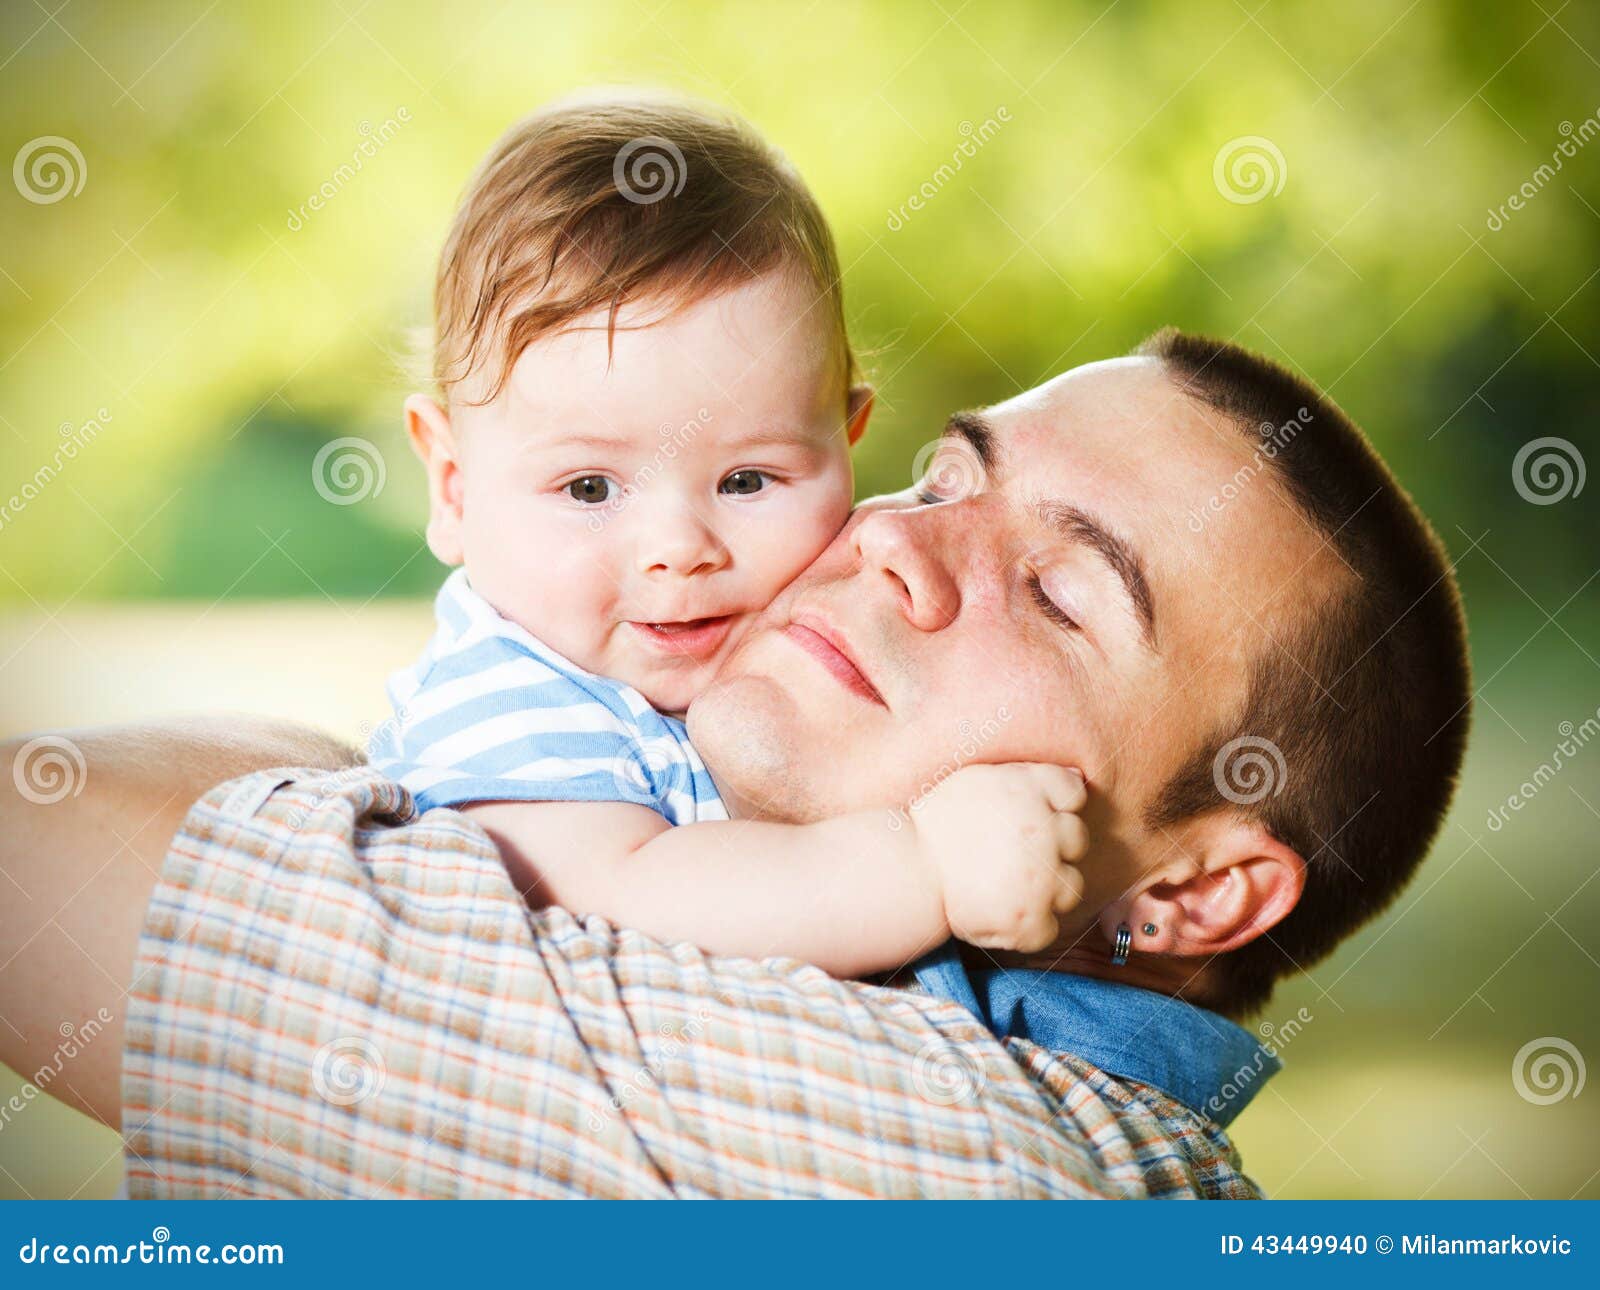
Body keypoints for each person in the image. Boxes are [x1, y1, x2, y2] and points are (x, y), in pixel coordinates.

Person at [0, 329, 1471, 1198]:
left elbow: (37, 852)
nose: (895, 543)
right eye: (946, 478)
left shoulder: (934, 1160)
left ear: (1195, 894)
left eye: (1057, 593)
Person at [368, 92, 1087, 979]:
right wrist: (927, 864)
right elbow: (628, 901)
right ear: (453, 487)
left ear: (847, 445)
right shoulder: (506, 698)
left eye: (747, 481)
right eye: (589, 488)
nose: (680, 549)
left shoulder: (777, 678)